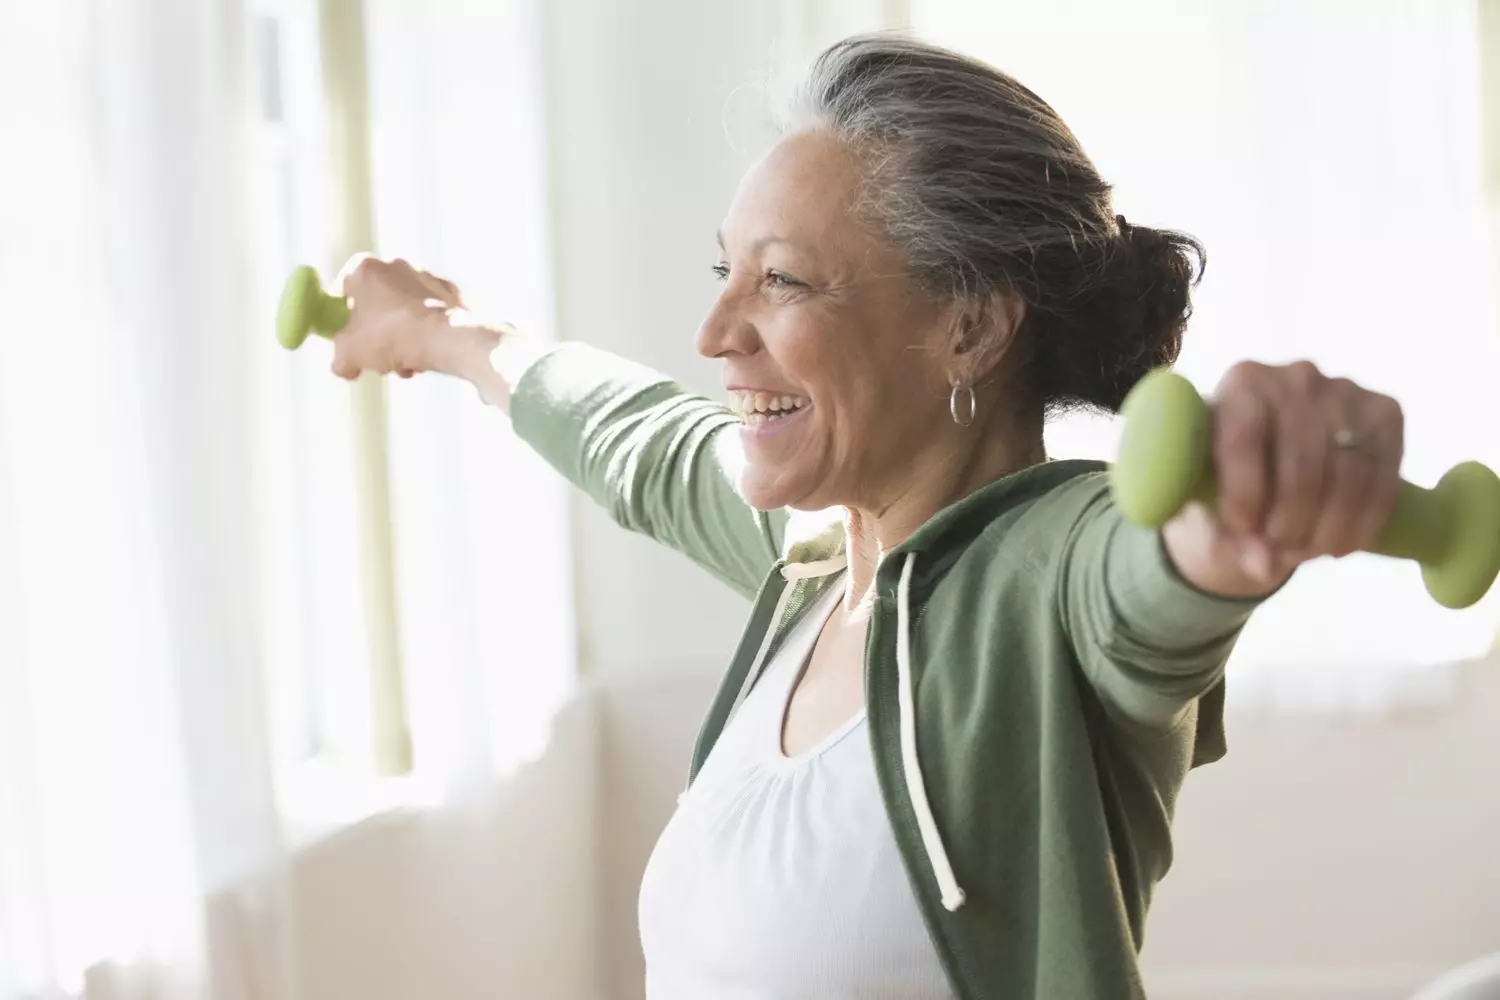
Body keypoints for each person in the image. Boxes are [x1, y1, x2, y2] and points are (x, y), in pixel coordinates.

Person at [324, 34, 1404, 1000]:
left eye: (782, 280)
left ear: (971, 327)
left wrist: (1244, 514)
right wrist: (445, 333)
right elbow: (638, 440)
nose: (713, 330)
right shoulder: (814, 564)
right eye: (725, 270)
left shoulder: (1045, 579)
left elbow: (1149, 578)